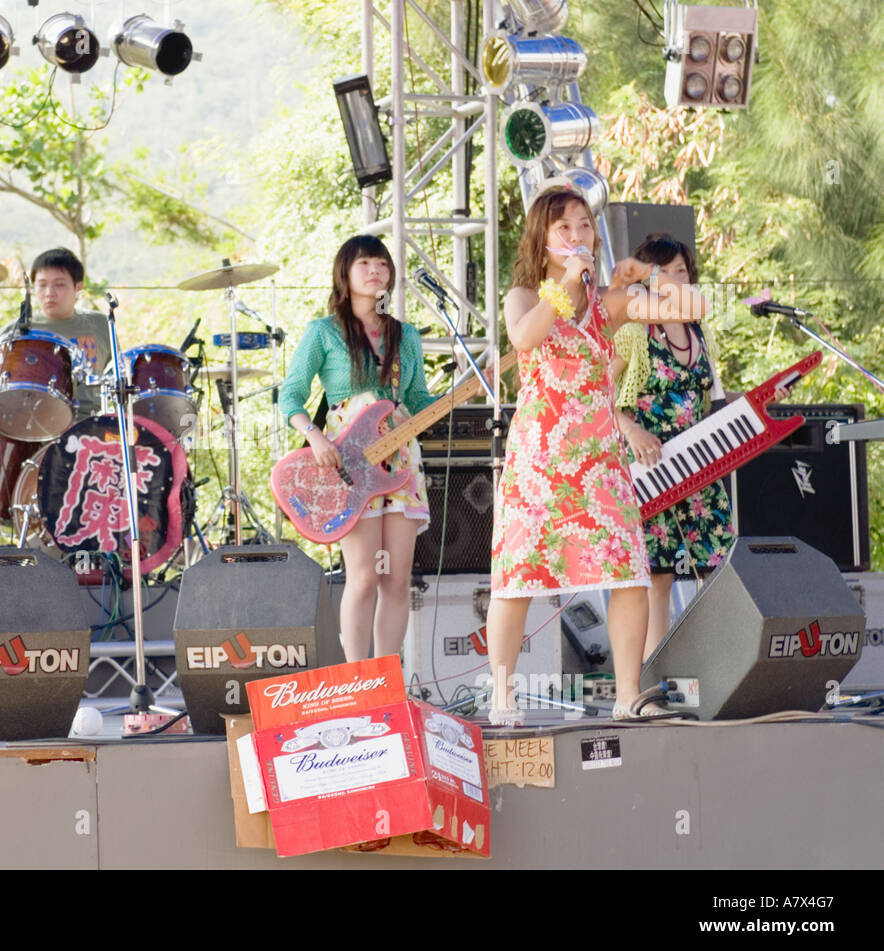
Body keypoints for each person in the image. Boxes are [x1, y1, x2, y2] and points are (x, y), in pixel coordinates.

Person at [486, 190, 708, 724]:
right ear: (542, 239)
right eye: (564, 228)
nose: (578, 236)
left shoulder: (608, 303)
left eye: (586, 227)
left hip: (600, 461)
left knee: (629, 573)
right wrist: (565, 282)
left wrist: (641, 276)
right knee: (517, 578)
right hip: (539, 462)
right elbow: (525, 334)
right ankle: (502, 693)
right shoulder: (523, 295)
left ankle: (627, 694)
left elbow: (693, 306)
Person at [610, 233, 786, 659]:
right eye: (665, 272)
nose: (675, 280)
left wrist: (760, 405)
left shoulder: (699, 332)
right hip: (651, 474)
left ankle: (722, 670)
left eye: (682, 272)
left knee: (719, 569)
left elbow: (716, 403)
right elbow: (597, 397)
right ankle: (650, 678)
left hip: (700, 470)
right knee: (658, 577)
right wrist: (632, 432)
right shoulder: (634, 331)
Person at [281, 235, 437, 662]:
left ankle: (387, 675)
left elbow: (419, 398)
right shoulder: (323, 332)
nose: (376, 271)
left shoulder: (404, 337)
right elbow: (290, 395)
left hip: (400, 459)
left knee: (397, 579)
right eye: (365, 263)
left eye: (382, 264)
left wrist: (455, 396)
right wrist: (315, 437)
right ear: (345, 275)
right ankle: (357, 676)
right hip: (347, 462)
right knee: (365, 576)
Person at [0, 247, 112, 416]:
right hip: (29, 427)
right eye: (42, 285)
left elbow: (119, 375)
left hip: (90, 428)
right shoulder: (15, 330)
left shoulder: (100, 324)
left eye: (59, 284)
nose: (49, 293)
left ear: (78, 286)